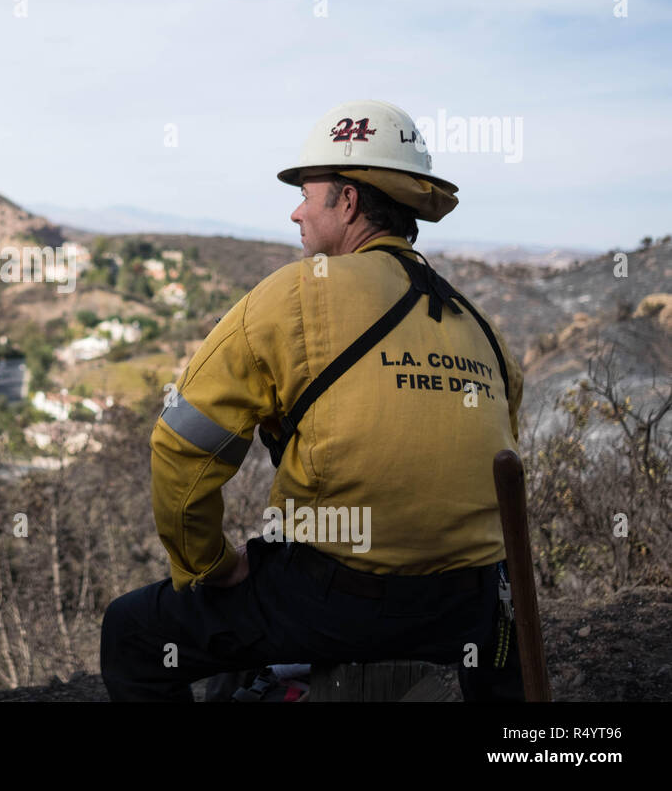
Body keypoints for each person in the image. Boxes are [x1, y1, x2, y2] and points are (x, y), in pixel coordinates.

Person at [100, 99, 526, 701]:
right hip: (472, 603)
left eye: (308, 191)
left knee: (133, 632)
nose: (296, 210)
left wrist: (210, 566)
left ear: (347, 202)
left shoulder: (295, 293)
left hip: (338, 597)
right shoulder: (480, 326)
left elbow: (182, 444)